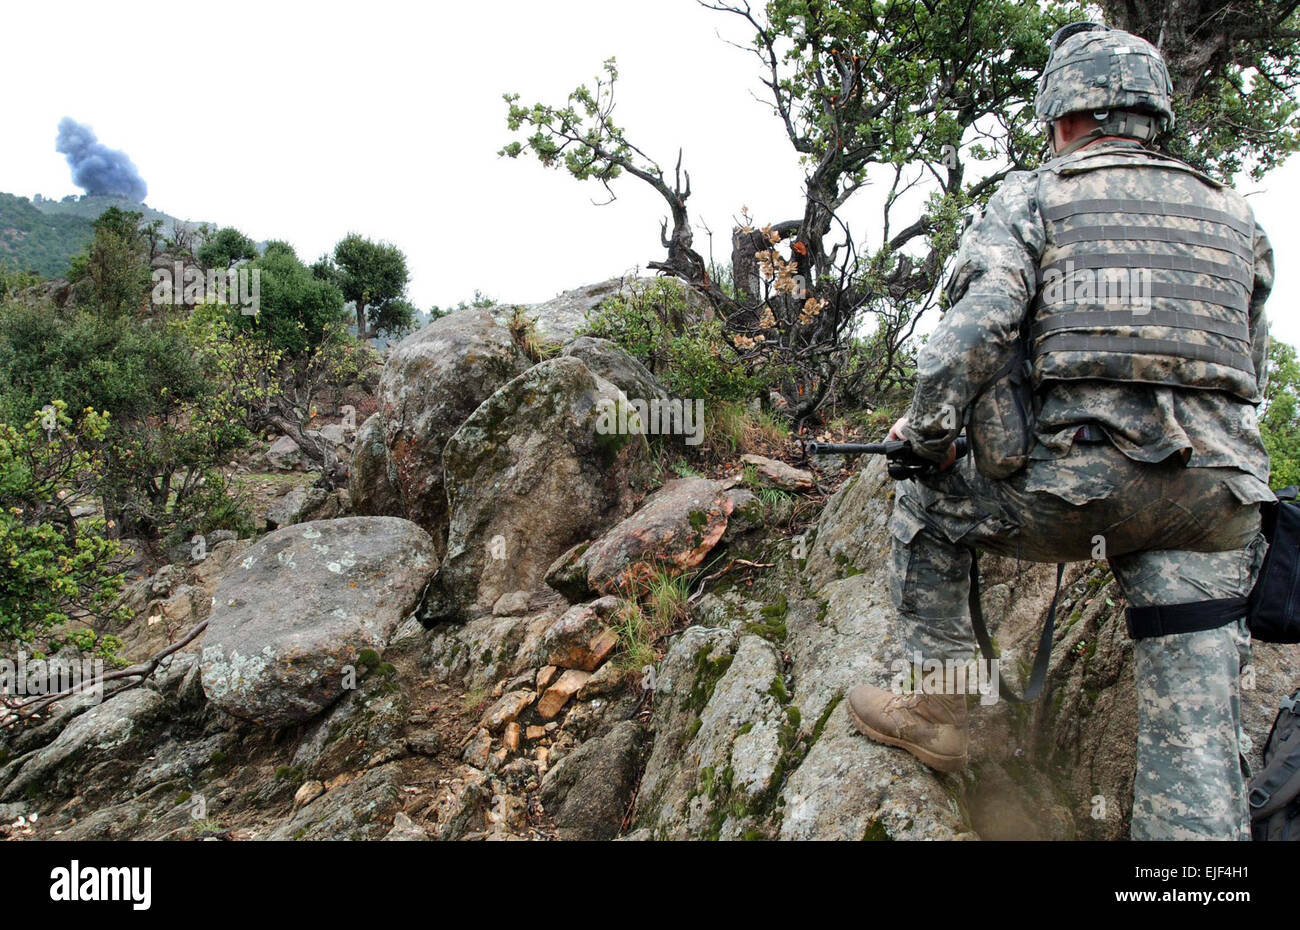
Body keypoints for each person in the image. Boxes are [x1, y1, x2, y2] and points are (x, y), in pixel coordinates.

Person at [847, 21, 1274, 841]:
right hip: (1214, 506)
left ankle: (942, 714)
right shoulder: (1236, 215)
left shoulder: (1034, 196)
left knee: (924, 508)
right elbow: (1244, 369)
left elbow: (970, 336)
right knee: (1196, 753)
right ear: (1153, 112)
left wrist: (928, 439)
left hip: (1072, 489)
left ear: (1066, 114)